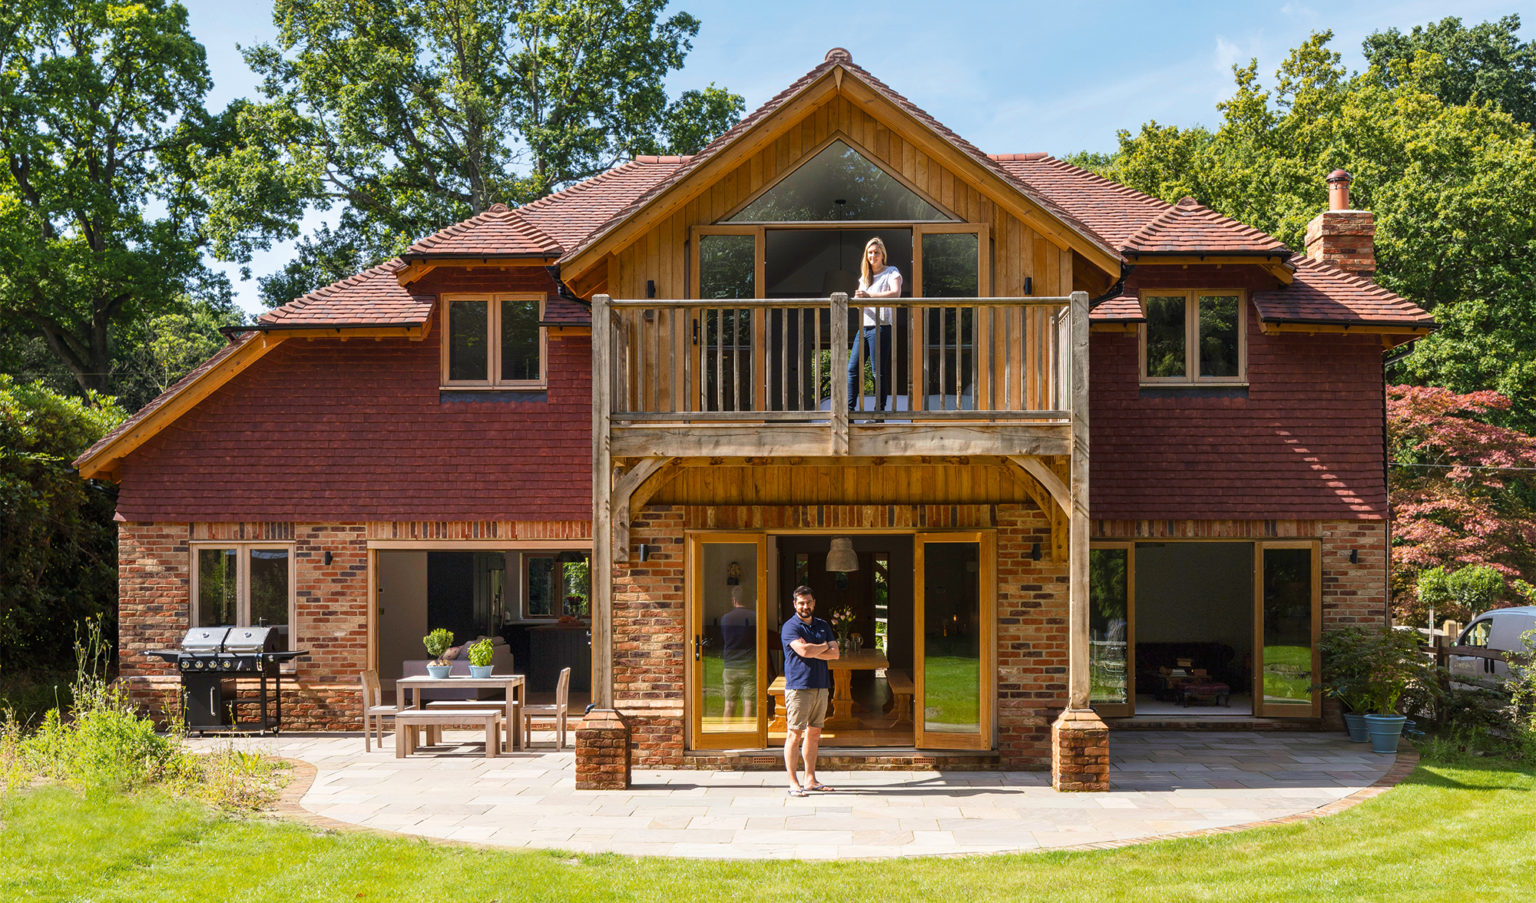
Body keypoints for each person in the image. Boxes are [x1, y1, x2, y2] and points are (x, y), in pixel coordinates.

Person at [780, 584, 839, 796]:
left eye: (808, 602)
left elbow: (836, 654)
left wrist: (815, 648)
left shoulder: (823, 624)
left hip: (821, 685)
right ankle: (793, 782)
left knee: (814, 735)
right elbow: (803, 650)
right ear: (795, 604)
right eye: (801, 603)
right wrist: (823, 646)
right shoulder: (790, 627)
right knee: (794, 734)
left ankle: (810, 779)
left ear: (814, 603)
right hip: (799, 687)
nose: (805, 606)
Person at [847, 236, 903, 412]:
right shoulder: (864, 277)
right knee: (852, 369)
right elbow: (861, 303)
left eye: (876, 252)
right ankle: (849, 411)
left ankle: (879, 411)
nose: (873, 256)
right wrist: (857, 300)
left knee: (877, 371)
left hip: (881, 328)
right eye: (870, 253)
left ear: (882, 254)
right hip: (863, 328)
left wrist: (868, 296)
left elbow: (895, 294)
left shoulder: (891, 272)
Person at [718, 586, 755, 722]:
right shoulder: (754, 617)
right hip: (749, 667)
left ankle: (726, 736)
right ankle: (748, 737)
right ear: (750, 600)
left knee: (729, 705)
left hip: (730, 667)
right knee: (749, 705)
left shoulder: (725, 619)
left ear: (734, 600)